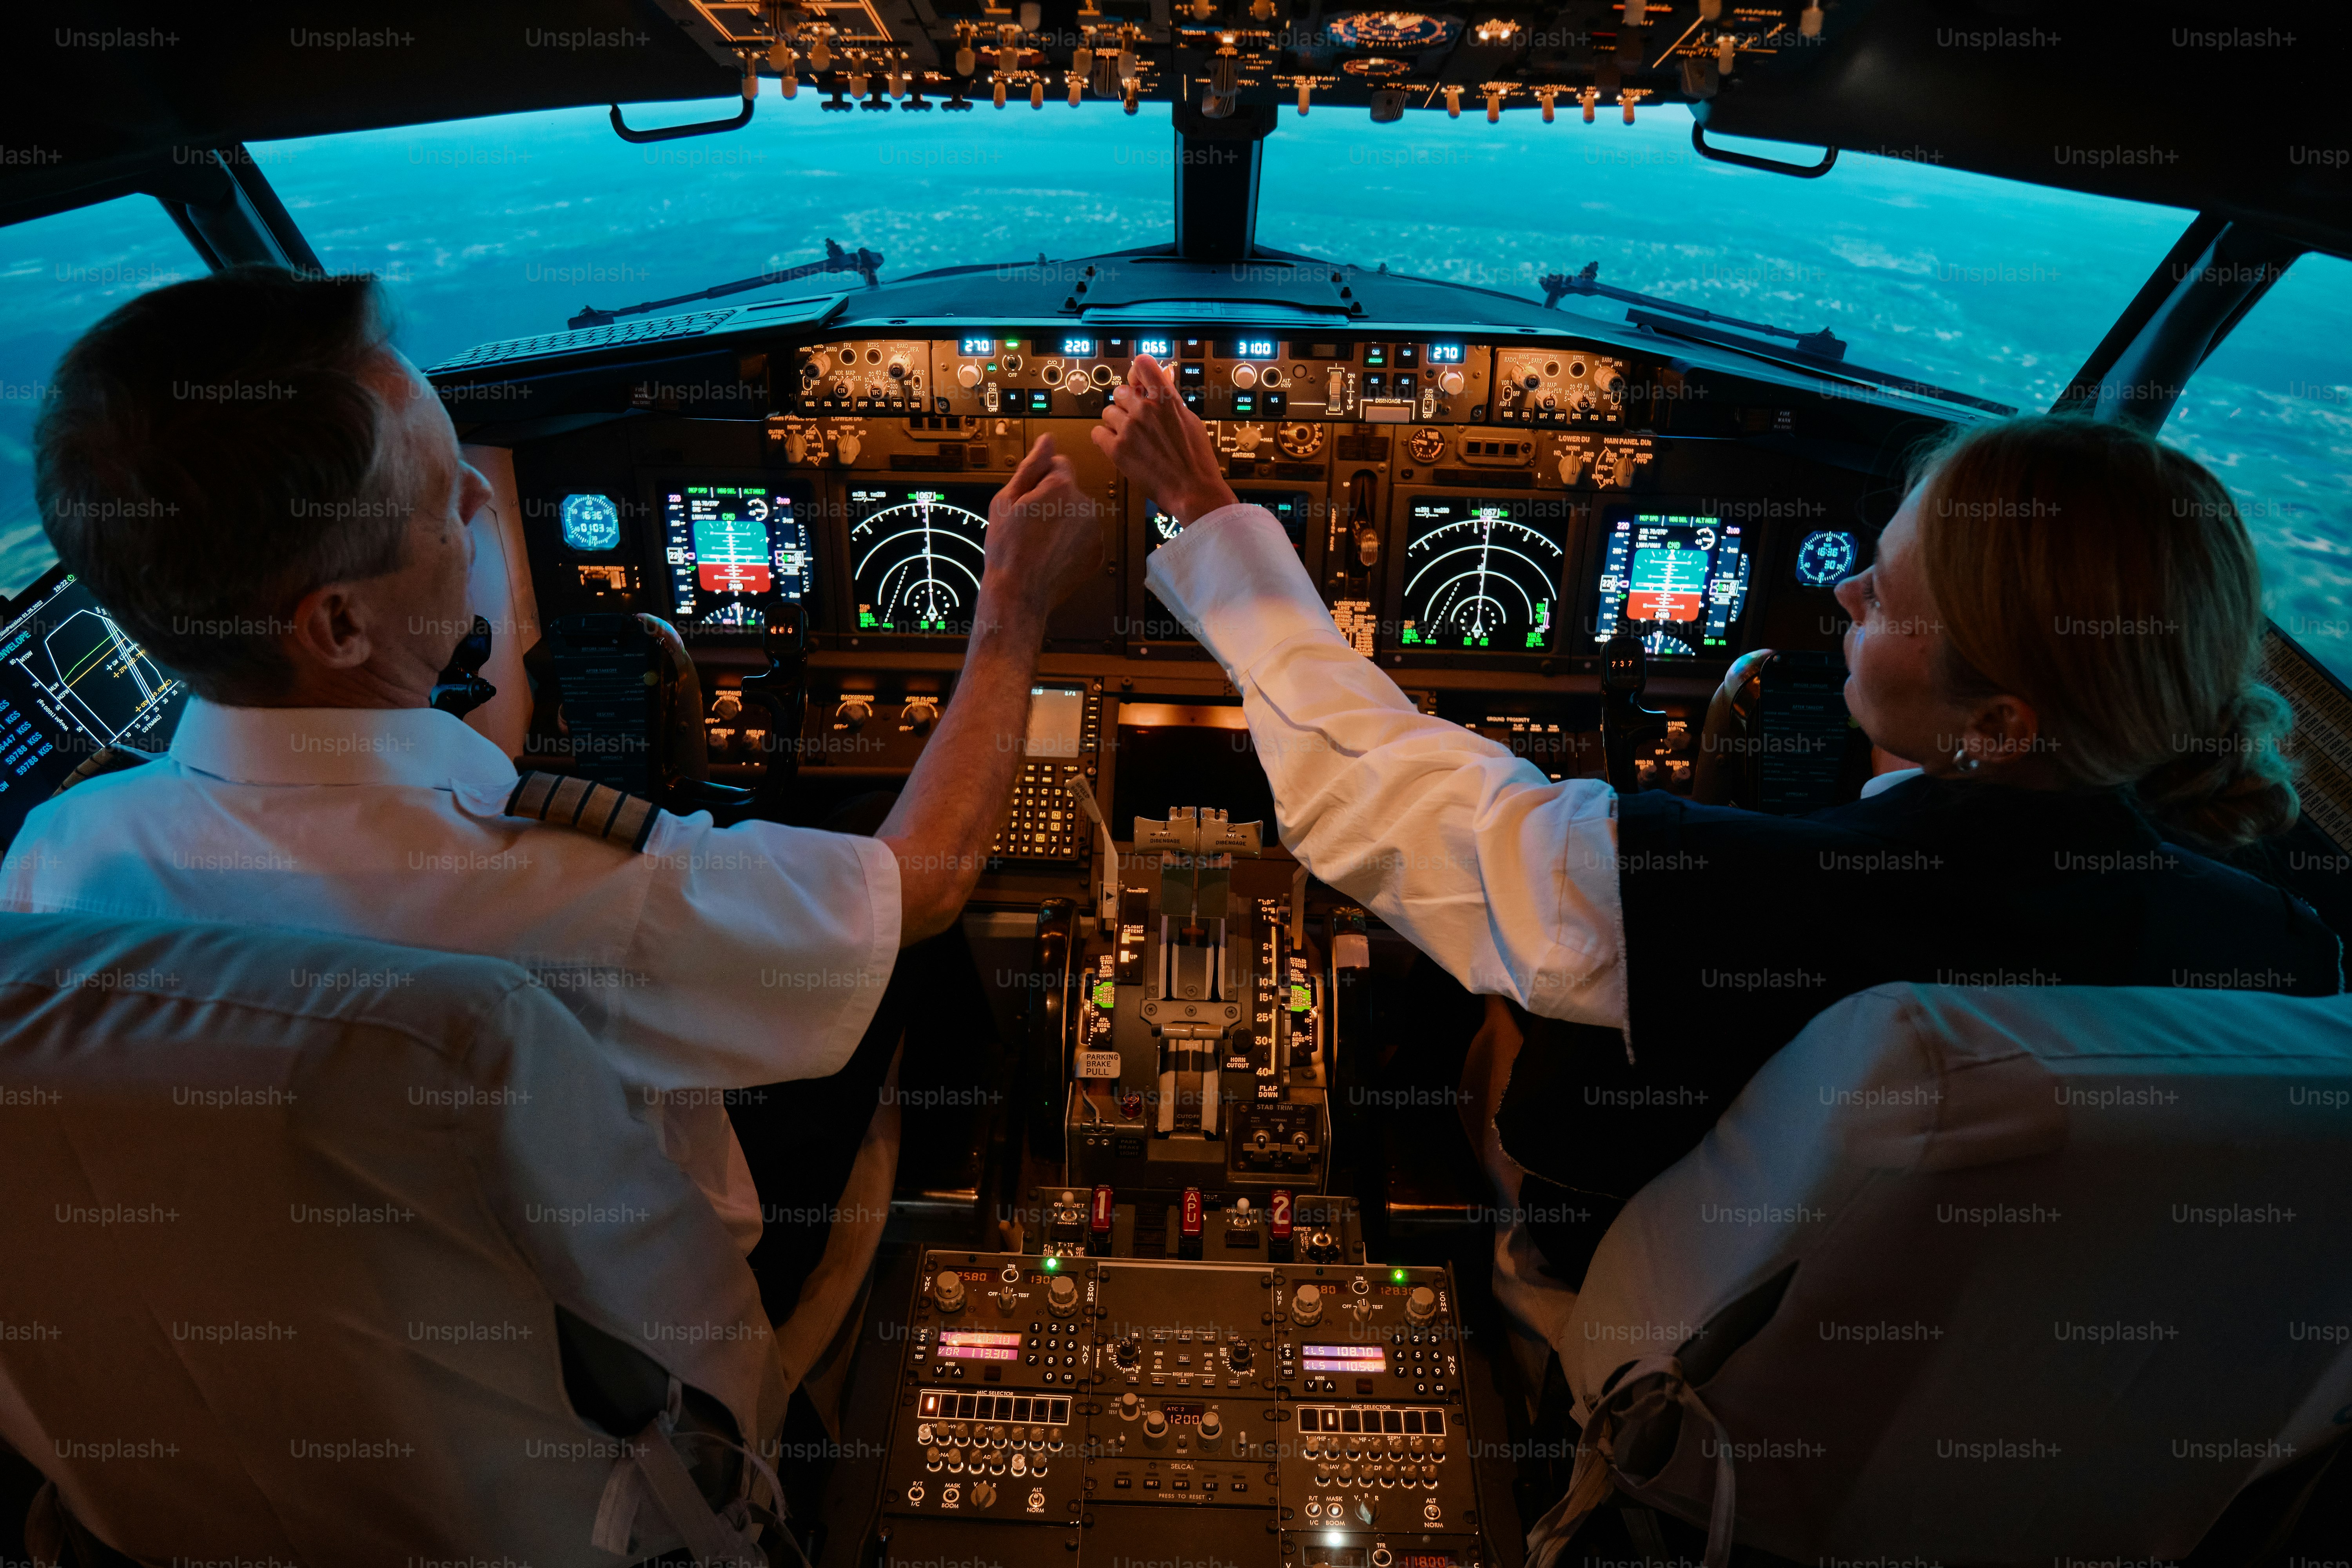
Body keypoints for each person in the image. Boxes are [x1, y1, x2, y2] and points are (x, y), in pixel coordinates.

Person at [1096, 354, 2340, 1298]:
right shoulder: (2288, 955)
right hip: (2001, 1360)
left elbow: (1375, 798)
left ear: (2003, 723)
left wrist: (1207, 511)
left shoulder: (1739, 896)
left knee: (1481, 984)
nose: (1844, 590)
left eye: (1887, 596)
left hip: (1680, 1330)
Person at [2, 265, 1102, 1275]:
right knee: (884, 901)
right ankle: (952, 1177)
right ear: (336, 624)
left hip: (330, 1301)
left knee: (852, 817)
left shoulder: (52, 866)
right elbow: (928, 881)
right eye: (444, 502)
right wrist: (1010, 611)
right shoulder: (572, 888)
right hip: (643, 1324)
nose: (484, 502)